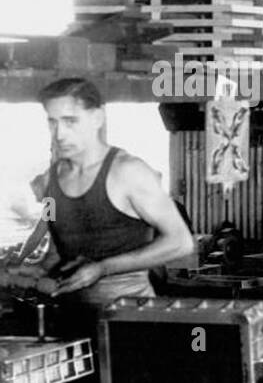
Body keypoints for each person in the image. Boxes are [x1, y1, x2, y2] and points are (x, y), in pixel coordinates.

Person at [0, 78, 194, 309]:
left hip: (129, 317)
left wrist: (103, 268)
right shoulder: (52, 180)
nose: (59, 134)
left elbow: (181, 242)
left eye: (70, 121)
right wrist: (33, 270)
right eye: (52, 122)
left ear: (97, 118)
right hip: (72, 319)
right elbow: (57, 252)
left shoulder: (129, 172)